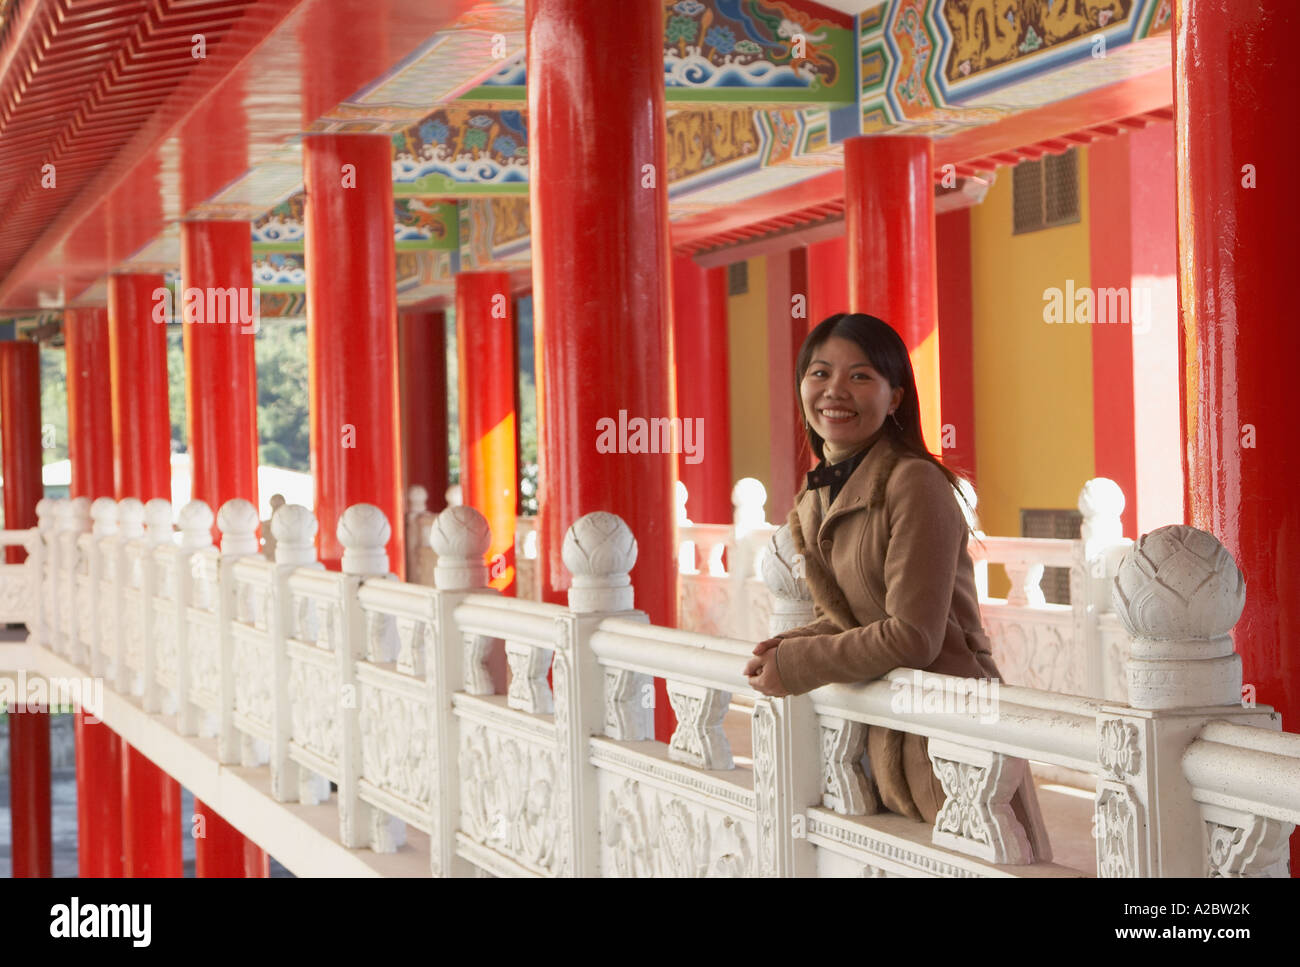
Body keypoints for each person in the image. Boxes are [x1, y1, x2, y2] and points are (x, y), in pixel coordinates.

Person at [742, 313, 1050, 857]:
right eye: (820, 373)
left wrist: (795, 667)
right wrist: (784, 645)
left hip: (954, 739)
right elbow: (850, 617)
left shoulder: (916, 483)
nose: (835, 391)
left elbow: (912, 635)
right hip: (881, 741)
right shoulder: (816, 497)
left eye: (860, 376)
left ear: (896, 397)